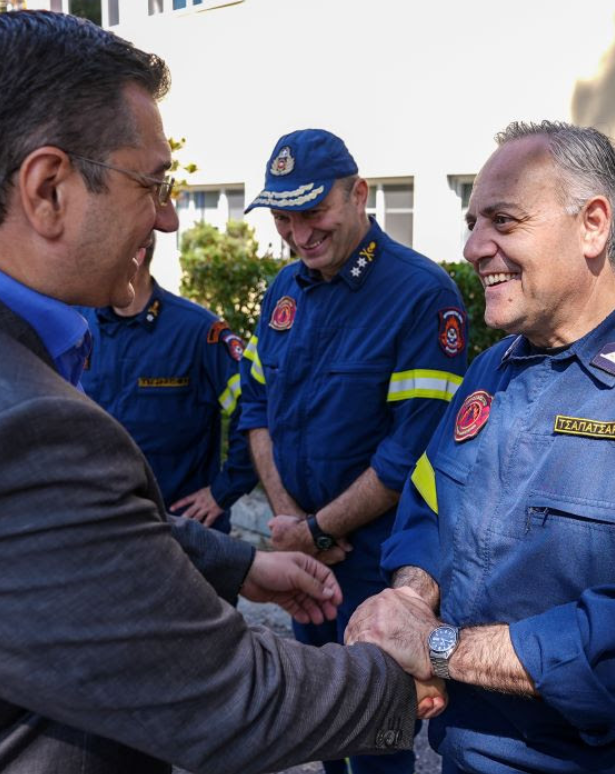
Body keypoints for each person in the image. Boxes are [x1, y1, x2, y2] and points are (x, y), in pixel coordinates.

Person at [0, 11, 444, 774]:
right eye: (154, 185)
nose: (168, 218)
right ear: (49, 190)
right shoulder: (14, 426)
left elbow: (48, 538)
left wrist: (237, 564)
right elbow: (227, 700)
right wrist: (405, 676)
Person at [347, 120, 615, 773]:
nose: (473, 247)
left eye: (503, 220)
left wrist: (440, 648)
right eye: (472, 222)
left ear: (593, 226)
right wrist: (411, 597)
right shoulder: (491, 371)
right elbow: (427, 514)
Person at [239, 128, 470, 774]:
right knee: (319, 724)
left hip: (377, 563)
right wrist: (293, 523)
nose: (298, 233)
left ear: (359, 194)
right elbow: (256, 409)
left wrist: (318, 529)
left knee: (376, 742)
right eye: (283, 217)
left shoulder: (421, 296)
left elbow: (411, 451)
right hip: (305, 552)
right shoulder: (284, 291)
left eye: (313, 211)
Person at [79, 232, 256, 533]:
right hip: (101, 525)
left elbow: (253, 407)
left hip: (181, 531)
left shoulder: (199, 332)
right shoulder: (79, 324)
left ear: (136, 254)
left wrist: (223, 490)